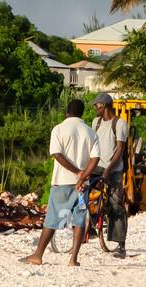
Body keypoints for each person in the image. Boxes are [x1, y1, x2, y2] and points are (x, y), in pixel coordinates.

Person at [21, 98, 99, 267]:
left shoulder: (58, 129)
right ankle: (73, 259)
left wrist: (77, 172)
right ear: (81, 113)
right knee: (79, 220)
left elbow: (57, 154)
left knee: (53, 219)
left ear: (67, 112)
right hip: (82, 185)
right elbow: (96, 158)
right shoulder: (90, 132)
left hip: (62, 182)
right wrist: (83, 176)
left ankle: (38, 255)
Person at [91, 93, 129, 259]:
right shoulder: (96, 122)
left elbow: (120, 150)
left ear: (104, 106)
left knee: (116, 206)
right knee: (87, 199)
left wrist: (108, 170)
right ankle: (86, 231)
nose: (94, 109)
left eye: (96, 106)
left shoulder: (119, 123)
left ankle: (121, 245)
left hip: (113, 170)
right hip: (97, 167)